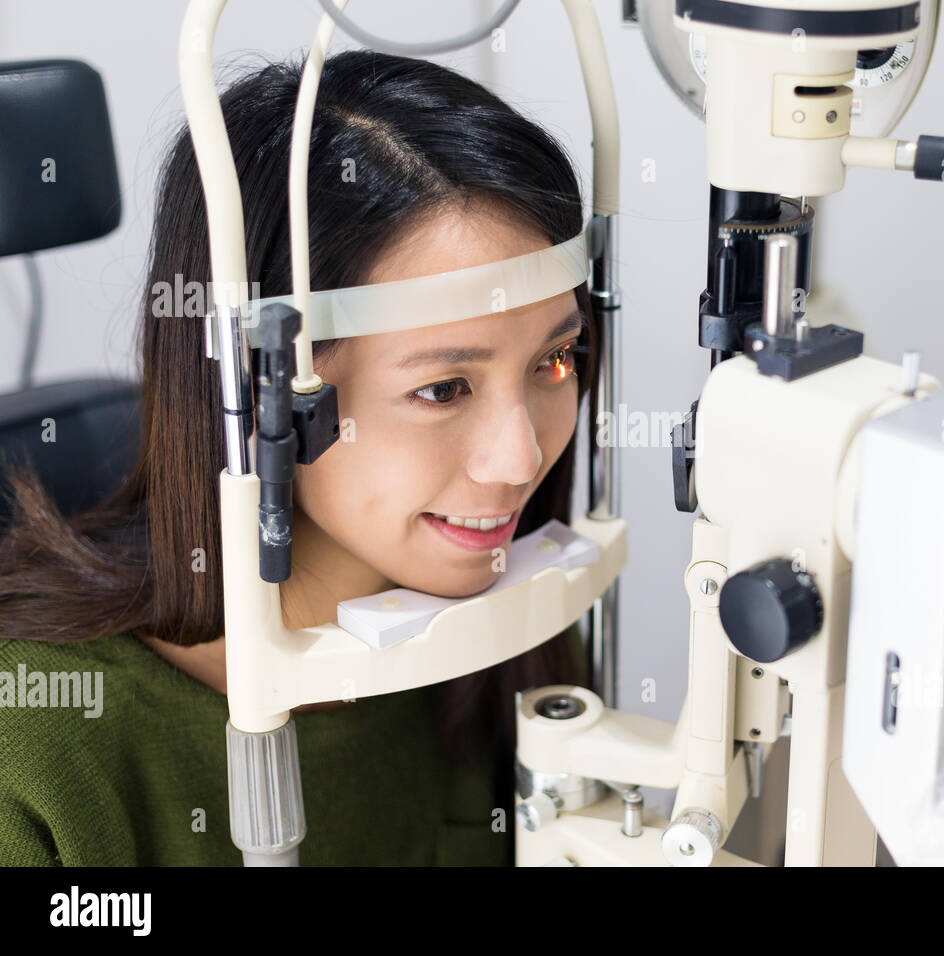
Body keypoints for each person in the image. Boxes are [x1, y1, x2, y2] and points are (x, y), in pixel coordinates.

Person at [0, 48, 599, 865]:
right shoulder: (35, 744)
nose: (520, 458)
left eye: (554, 361)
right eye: (443, 389)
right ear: (268, 387)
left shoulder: (513, 634)